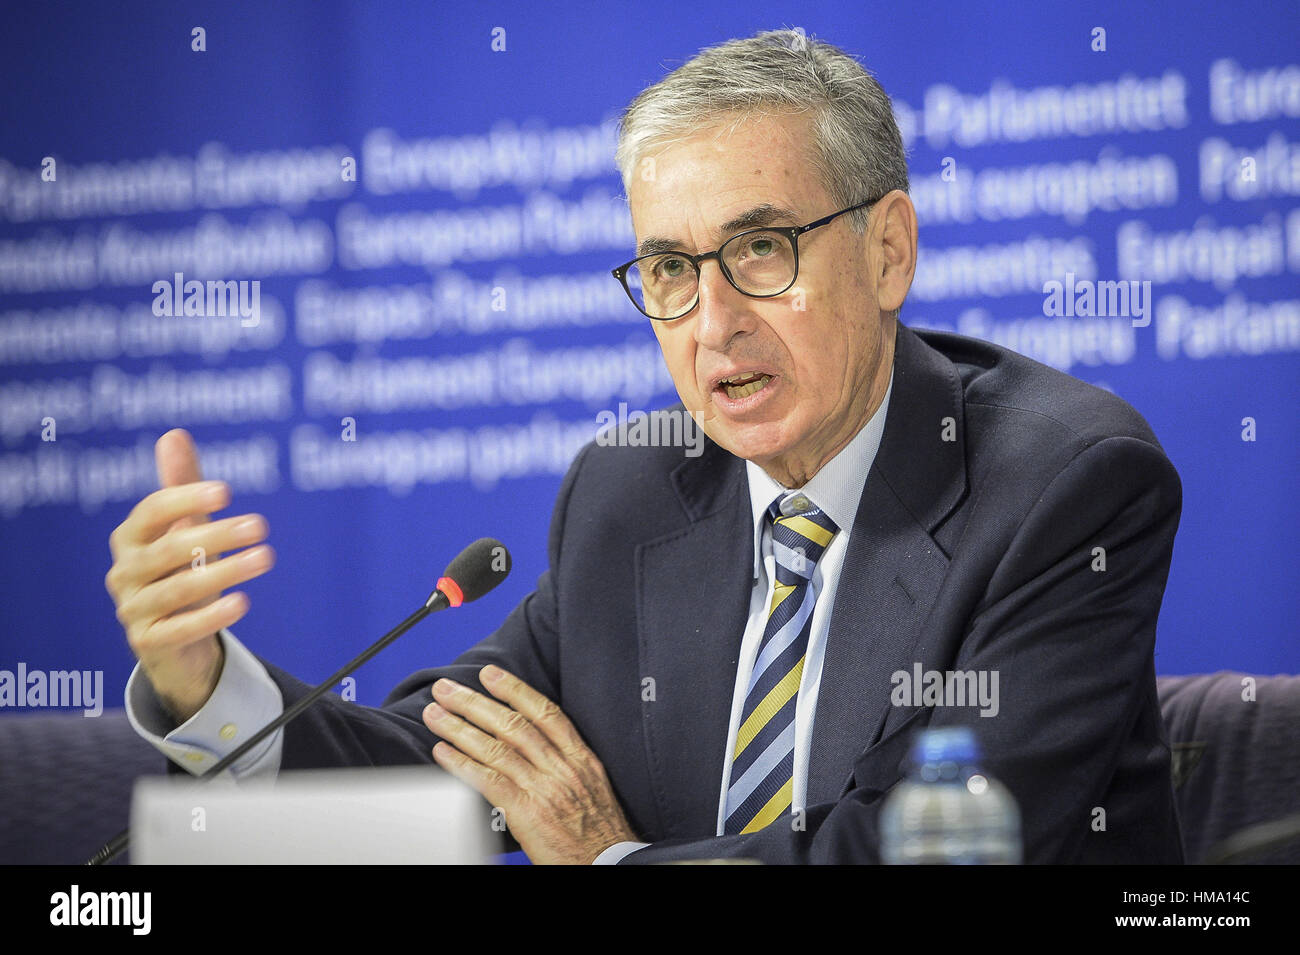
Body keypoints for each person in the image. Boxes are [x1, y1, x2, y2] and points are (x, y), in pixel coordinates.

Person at [106, 29, 1184, 864]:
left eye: (761, 248)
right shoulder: (632, 498)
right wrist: (206, 685)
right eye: (669, 268)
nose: (713, 321)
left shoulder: (1062, 487)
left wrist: (607, 860)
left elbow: (915, 850)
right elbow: (434, 783)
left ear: (888, 251)